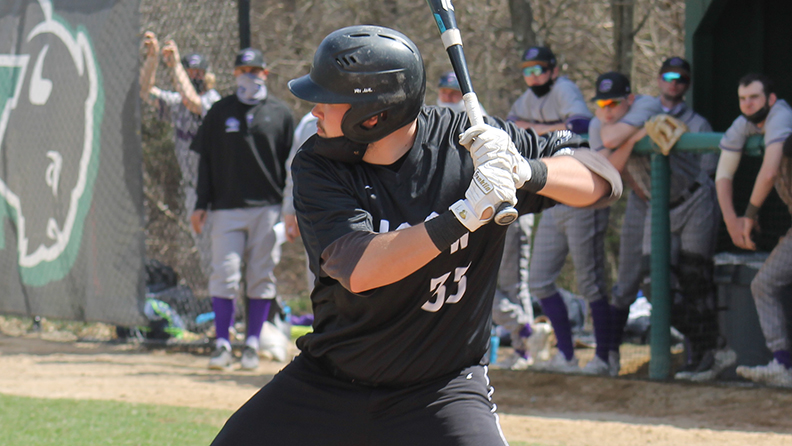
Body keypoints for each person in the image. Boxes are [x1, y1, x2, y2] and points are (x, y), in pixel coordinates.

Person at [209, 25, 621, 446]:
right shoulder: (318, 164)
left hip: (442, 391)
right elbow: (362, 267)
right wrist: (463, 216)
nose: (314, 109)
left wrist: (524, 170)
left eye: (327, 99)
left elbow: (602, 179)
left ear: (371, 116)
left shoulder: (468, 143)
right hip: (330, 382)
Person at [590, 71, 733, 381]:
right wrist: (635, 138)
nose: (608, 109)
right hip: (659, 206)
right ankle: (711, 345)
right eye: (602, 103)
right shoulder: (599, 121)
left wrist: (624, 138)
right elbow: (607, 165)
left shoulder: (645, 106)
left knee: (695, 279)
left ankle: (707, 356)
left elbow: (612, 141)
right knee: (652, 284)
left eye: (614, 102)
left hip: (693, 197)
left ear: (629, 99)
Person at [190, 48, 295, 371]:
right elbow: (204, 162)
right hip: (225, 208)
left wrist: (289, 209)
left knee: (260, 276)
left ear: (265, 73)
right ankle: (222, 343)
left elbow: (291, 167)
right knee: (224, 274)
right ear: (234, 74)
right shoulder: (220, 111)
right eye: (243, 69)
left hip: (267, 208)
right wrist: (200, 203)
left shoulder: (280, 113)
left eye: (255, 69)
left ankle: (251, 343)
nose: (249, 74)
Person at [504, 47, 605, 374]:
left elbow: (578, 126)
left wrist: (532, 127)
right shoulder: (527, 98)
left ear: (553, 70)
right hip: (551, 196)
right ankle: (566, 355)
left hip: (580, 188)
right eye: (528, 71)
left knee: (590, 283)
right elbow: (508, 130)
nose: (533, 77)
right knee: (540, 280)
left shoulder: (565, 89)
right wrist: (543, 128)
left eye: (539, 70)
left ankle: (605, 358)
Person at [432, 71, 542, 370]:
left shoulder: (485, 125)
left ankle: (526, 348)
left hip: (506, 212)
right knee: (483, 284)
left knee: (512, 285)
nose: (449, 98)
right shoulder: (435, 127)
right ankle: (527, 335)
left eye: (455, 94)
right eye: (445, 93)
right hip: (473, 216)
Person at [715, 74, 792, 387]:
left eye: (755, 98)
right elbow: (723, 173)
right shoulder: (745, 124)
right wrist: (732, 219)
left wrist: (749, 214)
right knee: (764, 284)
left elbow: (771, 169)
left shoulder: (781, 115)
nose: (748, 104)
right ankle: (783, 365)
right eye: (743, 99)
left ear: (770, 99)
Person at [139, 32, 221, 276]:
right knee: (206, 255)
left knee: (223, 253)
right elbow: (146, 92)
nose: (194, 76)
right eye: (190, 72)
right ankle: (220, 306)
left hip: (216, 190)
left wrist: (175, 67)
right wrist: (152, 60)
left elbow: (193, 102)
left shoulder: (213, 101)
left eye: (198, 73)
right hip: (191, 189)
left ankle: (238, 305)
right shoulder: (176, 105)